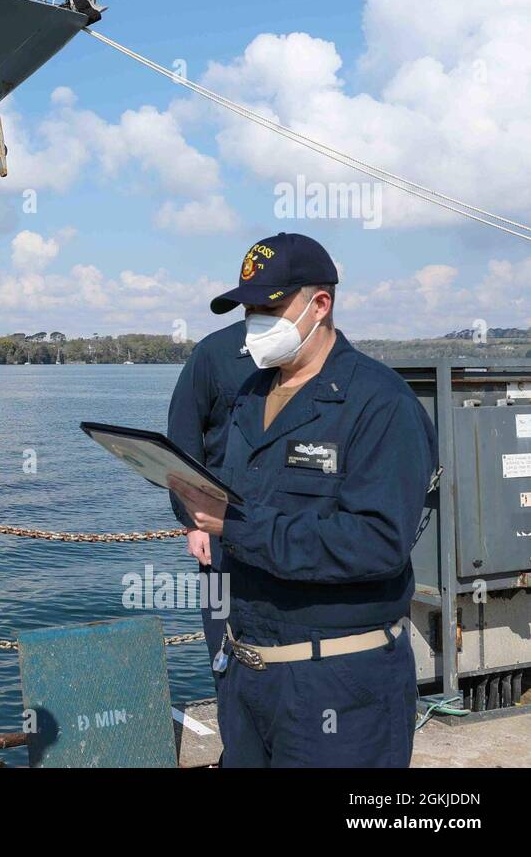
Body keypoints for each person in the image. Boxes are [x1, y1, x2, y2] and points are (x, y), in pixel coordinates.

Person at [169, 232, 437, 767]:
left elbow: (377, 543)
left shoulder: (379, 403)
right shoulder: (251, 394)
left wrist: (234, 524)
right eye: (248, 307)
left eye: (269, 306)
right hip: (250, 676)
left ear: (320, 304)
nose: (254, 320)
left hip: (339, 687)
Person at [166, 320, 254, 689]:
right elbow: (183, 440)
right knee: (222, 636)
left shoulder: (314, 356)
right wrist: (192, 521)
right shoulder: (213, 353)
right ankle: (232, 725)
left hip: (290, 525)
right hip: (218, 525)